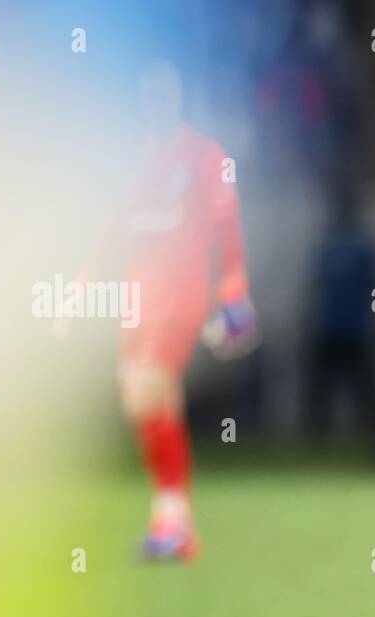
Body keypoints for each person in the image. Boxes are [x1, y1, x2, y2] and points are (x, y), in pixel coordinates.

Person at [114, 60, 257, 560]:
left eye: (164, 92)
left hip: (180, 293)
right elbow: (113, 229)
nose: (156, 101)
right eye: (148, 92)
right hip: (137, 296)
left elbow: (227, 226)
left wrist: (233, 291)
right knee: (147, 397)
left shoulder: (204, 155)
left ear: (177, 96)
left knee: (145, 394)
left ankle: (173, 520)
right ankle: (172, 523)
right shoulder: (131, 156)